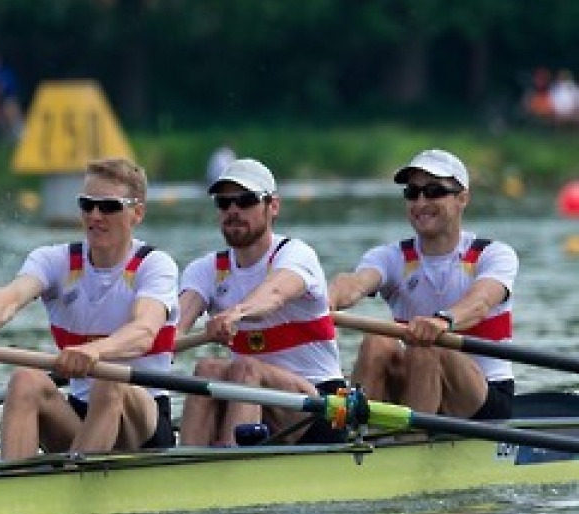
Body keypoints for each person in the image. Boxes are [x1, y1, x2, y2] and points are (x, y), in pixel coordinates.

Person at [0, 157, 180, 461]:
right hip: (79, 414)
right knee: (24, 381)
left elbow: (144, 331)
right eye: (86, 204)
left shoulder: (155, 265)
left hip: (142, 419)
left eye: (108, 207)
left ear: (137, 213)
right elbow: (10, 297)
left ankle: (71, 485)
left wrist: (95, 351)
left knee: (110, 379)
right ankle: (14, 489)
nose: (95, 216)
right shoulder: (54, 260)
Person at [329, 149, 517, 420]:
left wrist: (444, 321)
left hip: (483, 393)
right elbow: (355, 283)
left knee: (428, 346)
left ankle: (407, 445)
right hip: (421, 382)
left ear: (462, 198)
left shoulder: (492, 254)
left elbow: (481, 302)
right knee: (377, 342)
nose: (420, 202)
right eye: (412, 193)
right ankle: (356, 437)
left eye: (433, 191)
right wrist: (329, 300)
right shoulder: (391, 257)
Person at [175, 158, 345, 446]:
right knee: (207, 368)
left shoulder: (296, 255)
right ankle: (185, 465)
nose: (233, 210)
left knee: (246, 367)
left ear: (273, 206)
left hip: (324, 406)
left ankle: (234, 470)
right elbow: (173, 331)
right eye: (224, 202)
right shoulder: (205, 270)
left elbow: (275, 294)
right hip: (254, 403)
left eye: (245, 200)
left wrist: (236, 313)